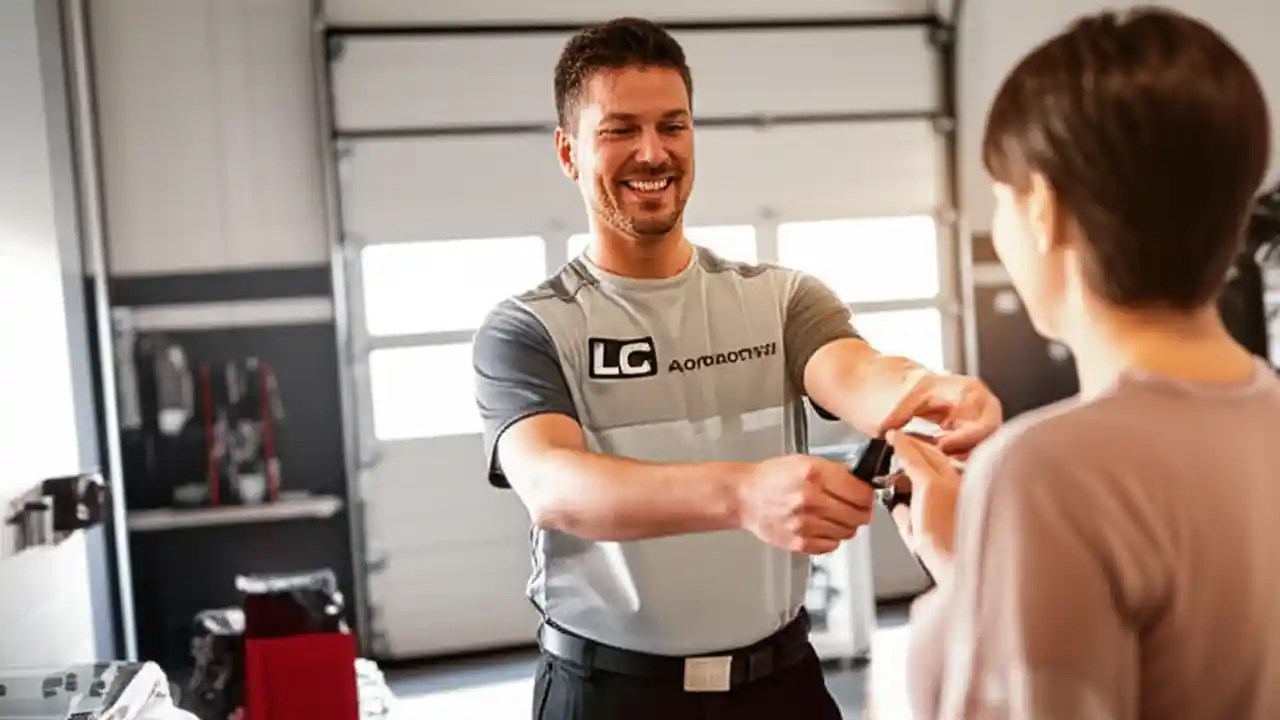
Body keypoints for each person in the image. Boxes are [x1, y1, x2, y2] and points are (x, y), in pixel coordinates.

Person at [471, 16, 1002, 720]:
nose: (653, 152)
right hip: (608, 695)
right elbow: (553, 488)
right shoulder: (529, 329)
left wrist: (935, 391)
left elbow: (861, 373)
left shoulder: (779, 299)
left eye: (673, 125)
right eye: (620, 130)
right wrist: (743, 494)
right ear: (569, 152)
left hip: (781, 688)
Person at [888, 8, 1280, 719]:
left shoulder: (1047, 471)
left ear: (1043, 209)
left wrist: (972, 571)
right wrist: (984, 565)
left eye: (1001, 201)